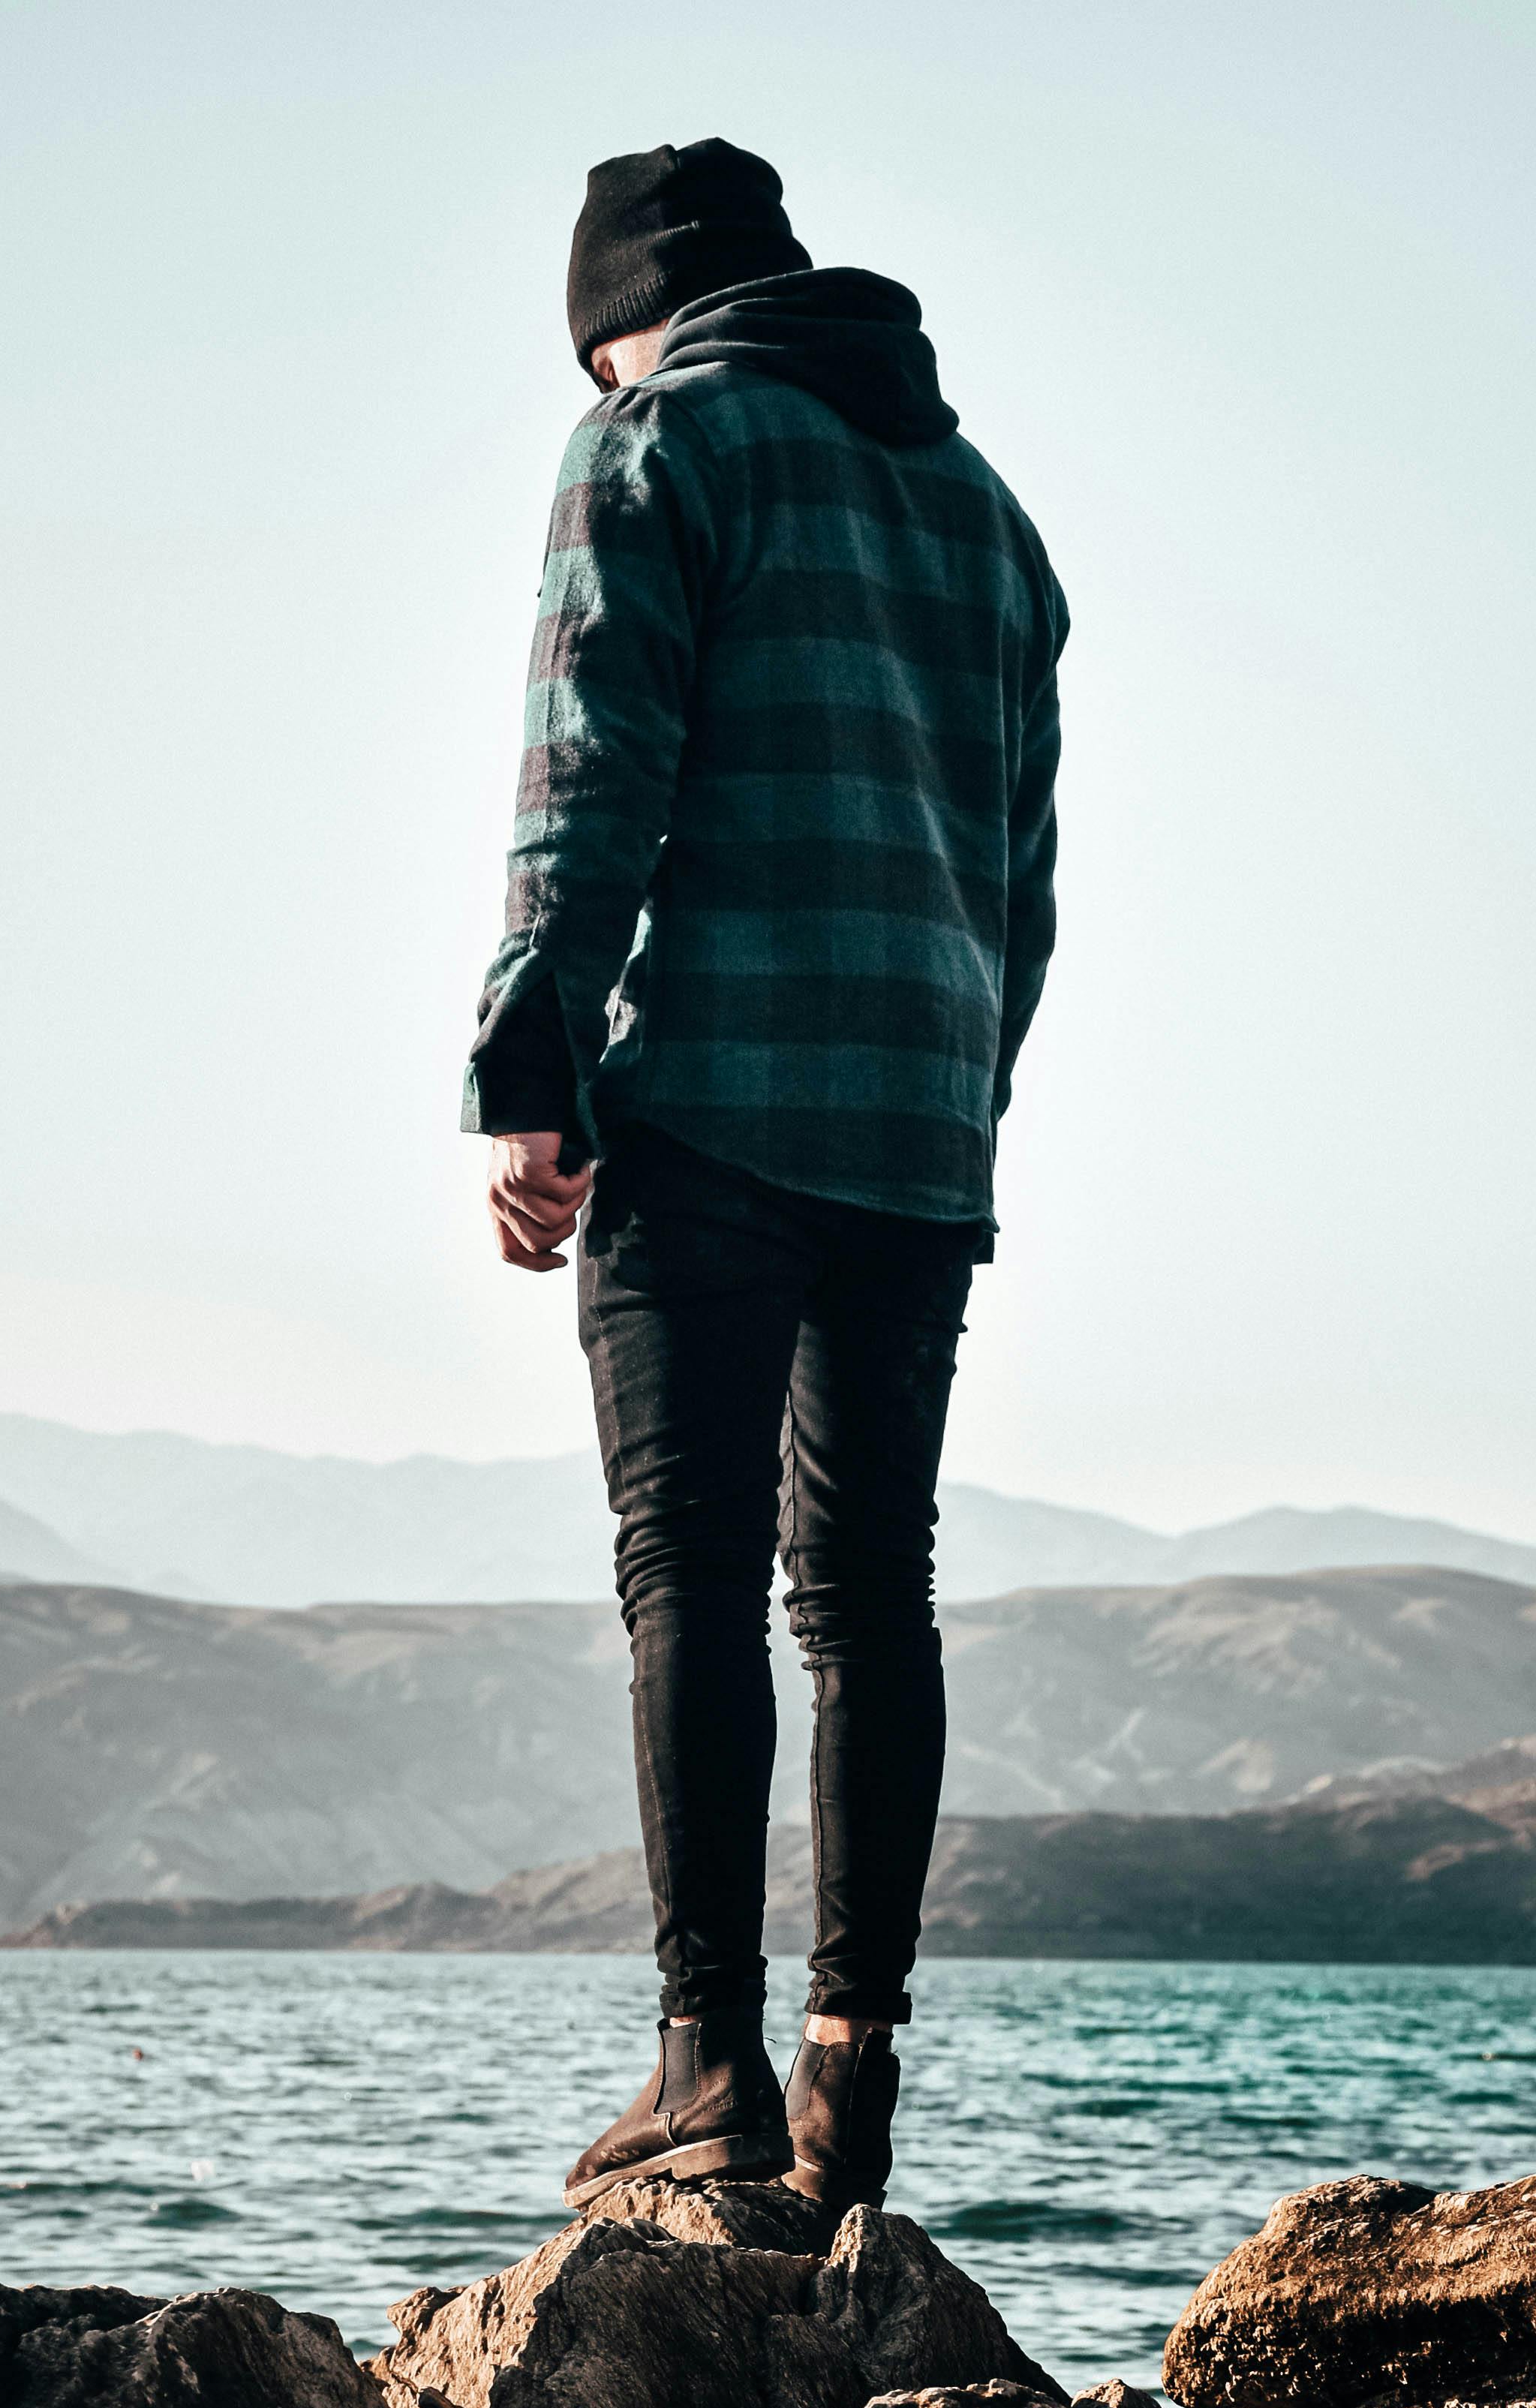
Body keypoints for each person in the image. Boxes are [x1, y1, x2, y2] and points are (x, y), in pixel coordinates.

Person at [464, 138, 1066, 2213]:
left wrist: (532, 1068)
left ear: (622, 316)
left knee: (691, 1579)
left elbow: (588, 781)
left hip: (709, 1098)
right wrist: (955, 1100)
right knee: (866, 1597)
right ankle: (851, 2075)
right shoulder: (985, 514)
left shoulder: (654, 442)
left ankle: (699, 2065)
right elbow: (1024, 884)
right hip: (916, 1129)